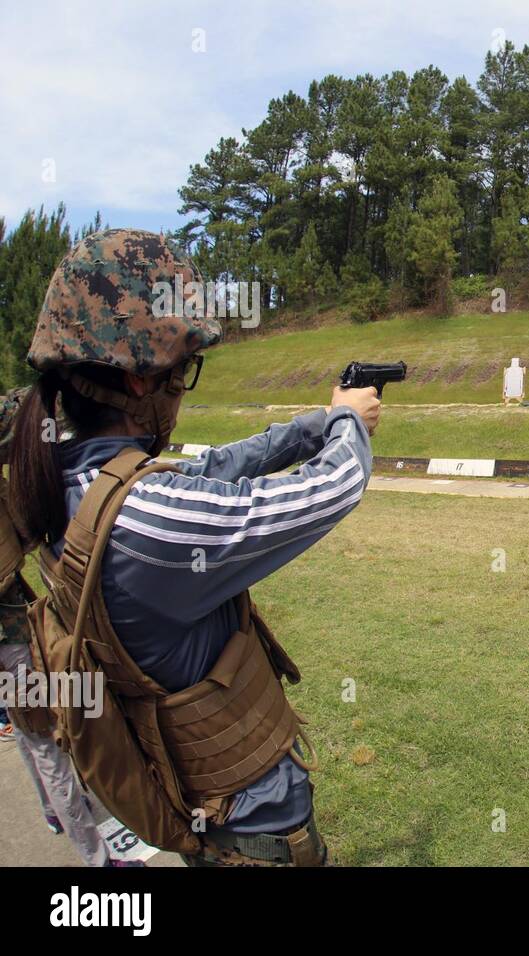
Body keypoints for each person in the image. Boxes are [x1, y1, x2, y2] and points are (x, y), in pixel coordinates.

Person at [8, 228, 381, 866]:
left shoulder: (66, 483)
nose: (185, 389)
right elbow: (332, 488)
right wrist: (347, 422)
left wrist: (308, 427)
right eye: (185, 372)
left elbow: (204, 472)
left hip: (213, 813)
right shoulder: (148, 525)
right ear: (137, 383)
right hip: (254, 833)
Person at [0, 386, 123, 865]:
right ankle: (97, 859)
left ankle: (55, 811)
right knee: (46, 735)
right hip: (7, 630)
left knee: (24, 727)